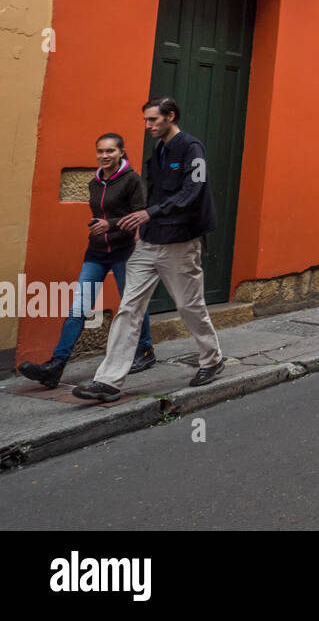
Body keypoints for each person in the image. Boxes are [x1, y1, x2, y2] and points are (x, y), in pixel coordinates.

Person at [72, 98, 225, 402]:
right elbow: (152, 195)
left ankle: (212, 359)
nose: (148, 125)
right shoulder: (159, 152)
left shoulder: (192, 148)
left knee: (188, 306)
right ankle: (108, 381)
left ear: (170, 116)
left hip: (180, 243)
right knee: (129, 307)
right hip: (149, 243)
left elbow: (193, 191)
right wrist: (143, 225)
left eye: (153, 120)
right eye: (145, 120)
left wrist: (150, 213)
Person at [18, 134, 155, 389]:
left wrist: (109, 225)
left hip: (124, 252)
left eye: (110, 151)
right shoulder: (95, 182)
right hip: (96, 253)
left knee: (132, 304)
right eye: (100, 151)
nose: (105, 156)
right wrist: (99, 228)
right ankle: (55, 366)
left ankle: (145, 350)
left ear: (121, 152)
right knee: (78, 308)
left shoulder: (132, 181)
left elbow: (140, 216)